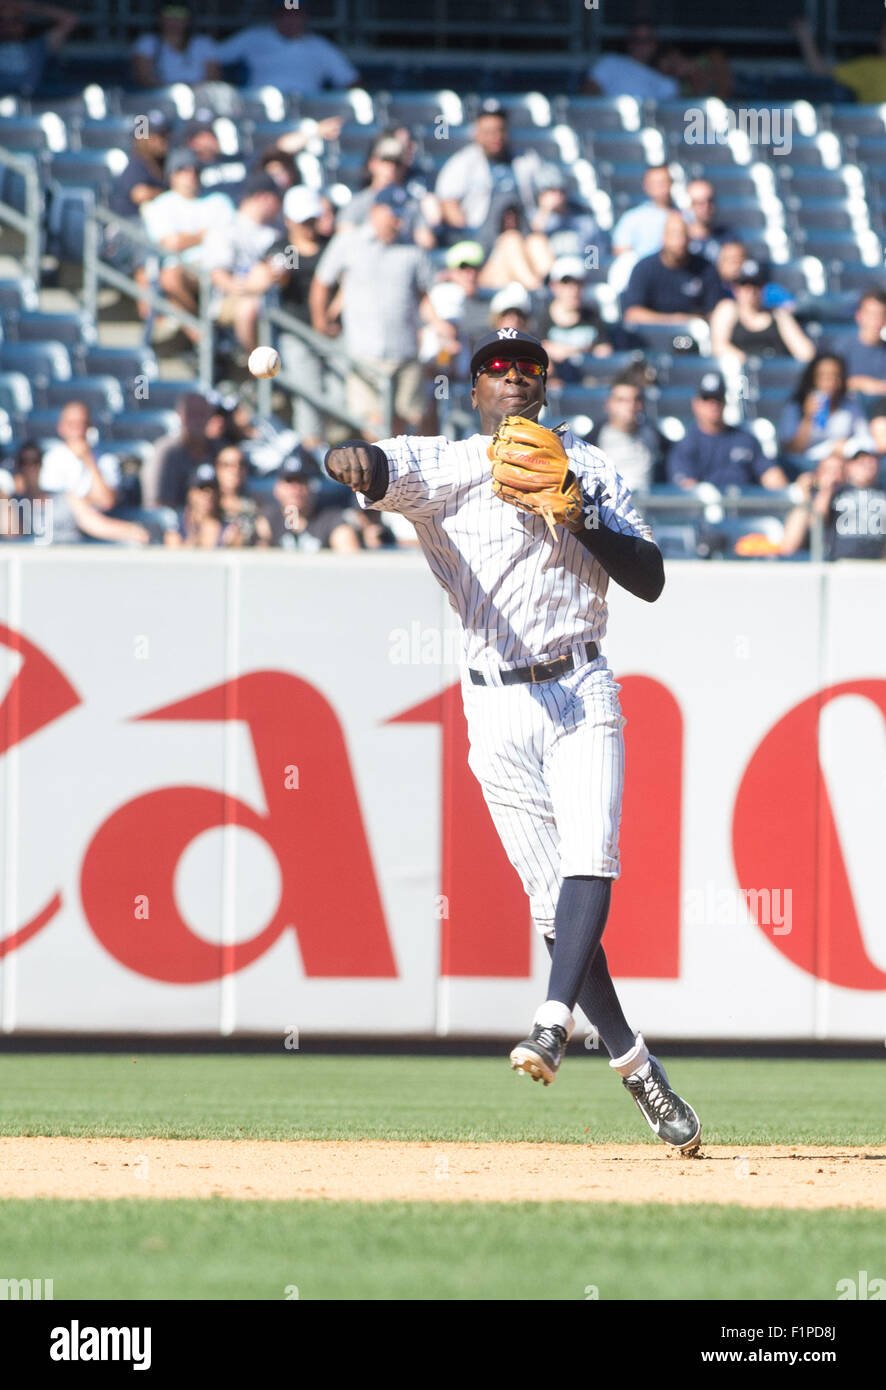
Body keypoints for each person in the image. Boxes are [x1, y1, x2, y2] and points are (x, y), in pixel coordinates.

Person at [324, 327, 701, 1153]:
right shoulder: (449, 464)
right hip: (494, 705)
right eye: (496, 370)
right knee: (550, 907)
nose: (514, 378)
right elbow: (378, 466)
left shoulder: (590, 468)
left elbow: (650, 578)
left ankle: (552, 1022)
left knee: (591, 856)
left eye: (528, 368)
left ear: (545, 386)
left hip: (581, 681)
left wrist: (579, 515)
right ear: (475, 391)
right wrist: (348, 461)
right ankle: (638, 1068)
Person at [310, 186, 454, 437]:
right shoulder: (349, 243)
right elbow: (322, 281)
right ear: (375, 212)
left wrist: (438, 324)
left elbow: (423, 296)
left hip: (405, 352)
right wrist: (320, 321)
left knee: (410, 420)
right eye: (392, 214)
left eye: (401, 214)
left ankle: (401, 476)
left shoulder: (412, 249)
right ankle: (383, 475)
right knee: (374, 424)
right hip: (365, 352)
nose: (398, 220)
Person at [140, 149, 235, 335]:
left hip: (221, 266)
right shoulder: (161, 205)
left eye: (195, 170)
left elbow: (231, 237)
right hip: (187, 269)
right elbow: (171, 243)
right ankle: (205, 334)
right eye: (182, 169)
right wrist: (205, 235)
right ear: (171, 175)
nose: (190, 175)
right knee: (170, 278)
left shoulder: (219, 201)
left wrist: (189, 239)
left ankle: (207, 337)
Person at [435, 103, 545, 253]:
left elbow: (548, 193)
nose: (496, 137)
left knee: (536, 243)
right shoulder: (462, 162)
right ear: (477, 134)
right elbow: (448, 203)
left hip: (524, 233)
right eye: (489, 132)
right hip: (480, 239)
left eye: (500, 131)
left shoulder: (526, 159)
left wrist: (541, 218)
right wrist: (467, 234)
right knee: (511, 243)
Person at [201, 174, 287, 355]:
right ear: (262, 197)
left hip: (272, 300)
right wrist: (247, 286)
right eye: (276, 198)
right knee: (249, 307)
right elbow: (218, 274)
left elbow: (286, 271)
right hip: (231, 300)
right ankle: (256, 363)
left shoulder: (280, 234)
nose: (279, 206)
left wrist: (268, 276)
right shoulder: (225, 228)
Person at [277, 185, 336, 446]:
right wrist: (275, 274)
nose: (309, 226)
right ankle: (311, 455)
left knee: (342, 395)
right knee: (309, 395)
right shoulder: (283, 249)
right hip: (297, 331)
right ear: (289, 221)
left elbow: (345, 281)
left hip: (332, 332)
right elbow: (275, 273)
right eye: (303, 221)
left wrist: (329, 315)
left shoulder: (330, 246)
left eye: (312, 219)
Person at [2, 440, 149, 545]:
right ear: (17, 467)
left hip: (68, 567)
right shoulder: (11, 504)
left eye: (35, 461)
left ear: (41, 464)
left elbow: (95, 524)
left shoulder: (67, 498)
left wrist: (131, 531)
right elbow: (12, 532)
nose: (30, 468)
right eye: (24, 462)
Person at [667, 373, 788, 490]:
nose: (713, 405)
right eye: (707, 399)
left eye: (718, 399)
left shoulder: (745, 439)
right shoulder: (686, 445)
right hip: (707, 509)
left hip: (746, 507)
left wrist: (789, 492)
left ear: (725, 402)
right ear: (695, 403)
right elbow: (687, 488)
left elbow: (771, 475)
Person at [212, 4, 358, 94]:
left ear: (304, 16)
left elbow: (350, 80)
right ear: (276, 16)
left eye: (296, 15)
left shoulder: (320, 46)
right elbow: (213, 56)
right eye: (286, 15)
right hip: (260, 109)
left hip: (306, 111)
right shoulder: (254, 37)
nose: (291, 20)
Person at [780, 440, 886, 560]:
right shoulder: (833, 492)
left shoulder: (882, 492)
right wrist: (825, 490)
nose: (867, 465)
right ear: (849, 467)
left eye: (871, 460)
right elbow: (816, 522)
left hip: (877, 563)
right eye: (860, 461)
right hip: (839, 561)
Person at [622, 212, 727, 327]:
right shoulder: (644, 268)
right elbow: (632, 314)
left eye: (683, 234)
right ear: (663, 237)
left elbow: (715, 314)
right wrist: (677, 321)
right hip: (652, 339)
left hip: (695, 339)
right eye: (674, 235)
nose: (679, 241)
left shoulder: (706, 269)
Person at [710, 259, 814, 363]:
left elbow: (806, 353)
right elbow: (718, 346)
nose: (751, 291)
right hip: (740, 375)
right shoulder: (728, 309)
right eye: (744, 285)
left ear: (764, 287)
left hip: (774, 374)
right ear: (735, 288)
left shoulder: (779, 315)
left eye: (756, 285)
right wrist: (751, 363)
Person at [778, 354, 868, 466]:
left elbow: (865, 440)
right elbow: (792, 451)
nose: (830, 382)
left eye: (836, 376)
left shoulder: (851, 406)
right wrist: (807, 418)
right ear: (813, 379)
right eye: (824, 376)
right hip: (806, 467)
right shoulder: (795, 407)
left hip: (842, 466)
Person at [265, 455, 366, 552]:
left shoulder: (331, 519)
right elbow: (257, 558)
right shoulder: (269, 519)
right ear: (277, 488)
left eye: (301, 482)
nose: (295, 490)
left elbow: (350, 557)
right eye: (289, 482)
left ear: (313, 486)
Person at [583, 376, 666, 493]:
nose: (630, 406)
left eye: (636, 399)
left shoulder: (652, 434)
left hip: (649, 506)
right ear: (608, 404)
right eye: (622, 400)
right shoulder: (591, 443)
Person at [538, 257, 612, 384]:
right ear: (553, 286)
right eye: (566, 283)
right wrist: (585, 350)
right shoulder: (542, 319)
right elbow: (541, 350)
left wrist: (567, 351)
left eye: (578, 283)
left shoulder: (592, 317)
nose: (573, 290)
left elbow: (604, 351)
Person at [143, 393, 219, 511]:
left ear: (210, 416)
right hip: (177, 525)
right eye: (192, 414)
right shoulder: (166, 452)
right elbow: (157, 504)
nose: (197, 420)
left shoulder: (219, 449)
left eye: (201, 414)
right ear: (180, 415)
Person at [39, 401, 119, 510]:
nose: (78, 430)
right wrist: (90, 499)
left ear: (90, 427)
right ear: (61, 428)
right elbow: (50, 500)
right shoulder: (51, 458)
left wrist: (89, 461)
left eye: (82, 423)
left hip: (96, 524)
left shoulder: (106, 459)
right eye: (71, 424)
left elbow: (106, 501)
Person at [793, 17, 886, 105]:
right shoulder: (869, 67)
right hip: (872, 121)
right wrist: (805, 38)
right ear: (879, 39)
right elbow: (821, 72)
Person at [584, 22, 680, 101]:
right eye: (636, 40)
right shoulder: (609, 63)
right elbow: (588, 92)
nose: (641, 45)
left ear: (655, 44)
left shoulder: (666, 81)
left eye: (647, 40)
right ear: (629, 42)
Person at [0, 1, 77, 95]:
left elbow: (69, 19)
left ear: (23, 25)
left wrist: (23, 6)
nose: (8, 27)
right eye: (2, 20)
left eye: (14, 21)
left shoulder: (37, 46)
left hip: (31, 101)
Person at [131, 5, 219, 87]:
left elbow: (213, 78)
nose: (174, 20)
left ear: (188, 19)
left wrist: (192, 89)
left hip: (200, 96)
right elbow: (144, 78)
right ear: (160, 18)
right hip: (160, 97)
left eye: (180, 15)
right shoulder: (146, 42)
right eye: (169, 15)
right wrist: (174, 90)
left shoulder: (204, 43)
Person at [611, 165, 675, 261]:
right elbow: (621, 251)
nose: (661, 187)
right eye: (655, 183)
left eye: (664, 182)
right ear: (646, 186)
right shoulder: (632, 218)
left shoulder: (684, 216)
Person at [834, 289, 886, 400]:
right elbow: (830, 383)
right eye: (871, 314)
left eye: (881, 315)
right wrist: (860, 383)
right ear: (859, 316)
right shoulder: (841, 348)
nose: (875, 321)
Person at [214, 446, 271, 547]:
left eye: (241, 464)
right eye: (227, 465)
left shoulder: (257, 505)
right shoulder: (208, 503)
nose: (235, 470)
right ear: (217, 468)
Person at [164, 463, 223, 548]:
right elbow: (174, 556)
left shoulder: (229, 529)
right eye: (202, 489)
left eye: (213, 489)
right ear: (191, 493)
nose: (208, 495)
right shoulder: (177, 526)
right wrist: (197, 538)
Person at [683, 180, 735, 263]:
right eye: (700, 203)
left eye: (710, 201)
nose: (706, 207)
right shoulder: (680, 240)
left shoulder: (727, 236)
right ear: (689, 205)